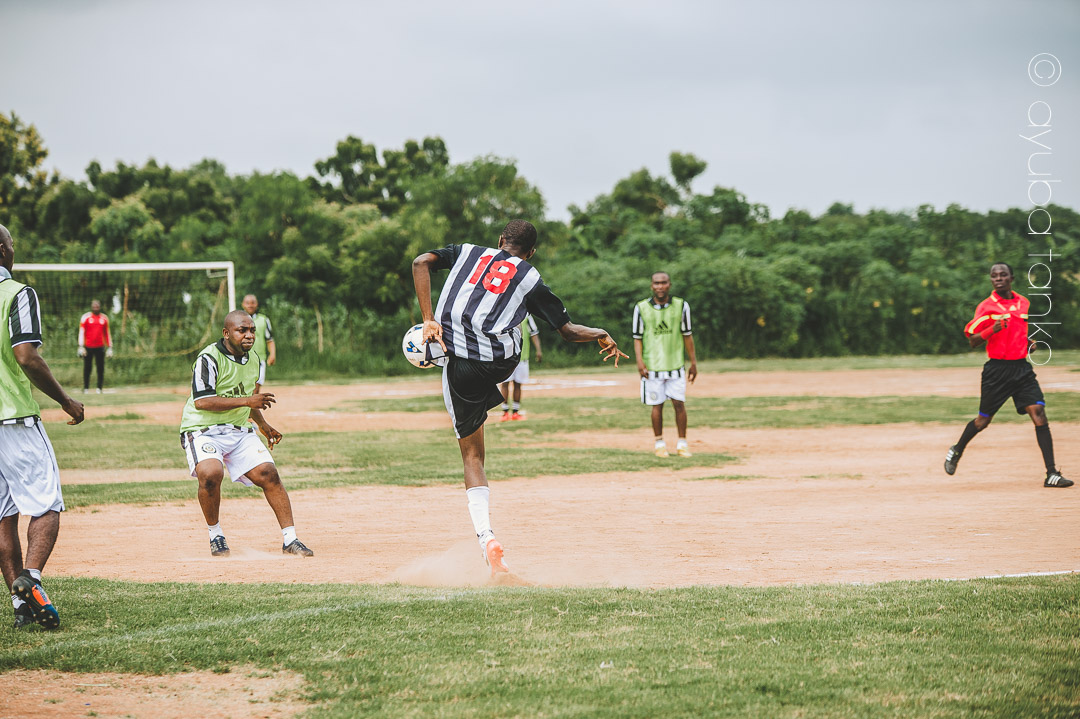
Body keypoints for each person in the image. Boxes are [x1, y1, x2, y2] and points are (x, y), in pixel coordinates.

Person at [412, 220, 627, 577]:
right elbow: (569, 332)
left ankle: (486, 539)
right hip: (501, 362)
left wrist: (428, 319)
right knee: (506, 336)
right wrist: (601, 333)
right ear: (531, 252)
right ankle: (481, 374)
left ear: (500, 241)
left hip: (460, 366)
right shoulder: (529, 277)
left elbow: (420, 262)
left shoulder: (468, 252)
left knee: (472, 455)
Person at [0, 224, 85, 630]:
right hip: (13, 418)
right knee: (46, 504)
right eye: (13, 245)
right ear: (2, 250)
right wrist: (65, 400)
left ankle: (20, 611)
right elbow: (26, 356)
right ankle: (30, 581)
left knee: (2, 516)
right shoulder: (18, 293)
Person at [180, 310, 314, 557]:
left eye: (252, 330)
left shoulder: (254, 360)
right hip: (202, 431)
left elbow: (249, 401)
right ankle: (216, 534)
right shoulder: (208, 358)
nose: (249, 335)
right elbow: (203, 401)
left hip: (239, 430)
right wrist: (247, 401)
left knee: (268, 473)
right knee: (211, 474)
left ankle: (290, 540)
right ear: (226, 333)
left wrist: (263, 425)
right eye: (242, 330)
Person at [944, 262, 1071, 488]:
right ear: (991, 280)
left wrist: (1028, 343)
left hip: (1021, 369)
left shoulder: (1023, 302)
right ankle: (957, 449)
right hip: (997, 371)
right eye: (994, 276)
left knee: (1039, 413)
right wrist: (992, 329)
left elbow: (1018, 333)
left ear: (1012, 277)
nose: (998, 278)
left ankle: (1051, 474)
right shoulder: (986, 307)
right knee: (983, 421)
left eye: (1003, 274)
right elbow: (973, 341)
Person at [633, 272, 698, 458]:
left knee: (679, 403)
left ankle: (682, 443)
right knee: (657, 405)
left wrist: (693, 362)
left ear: (669, 284)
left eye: (663, 283)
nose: (660, 286)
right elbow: (637, 338)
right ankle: (659, 443)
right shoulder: (641, 308)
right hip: (652, 366)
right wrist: (639, 361)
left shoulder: (681, 306)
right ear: (651, 286)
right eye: (656, 283)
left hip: (675, 364)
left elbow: (687, 335)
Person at [499, 314, 542, 421]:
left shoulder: (526, 315)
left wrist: (538, 350)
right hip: (506, 356)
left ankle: (515, 412)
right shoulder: (504, 312)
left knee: (518, 383)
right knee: (505, 383)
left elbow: (534, 333)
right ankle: (505, 412)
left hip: (522, 357)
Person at [78, 299, 112, 394]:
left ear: (99, 307)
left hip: (100, 347)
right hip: (88, 347)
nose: (95, 308)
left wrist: (109, 347)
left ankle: (99, 388)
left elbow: (107, 334)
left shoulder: (104, 318)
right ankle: (86, 388)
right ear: (91, 307)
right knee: (87, 368)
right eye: (94, 306)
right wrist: (81, 346)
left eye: (97, 306)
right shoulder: (86, 317)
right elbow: (81, 332)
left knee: (100, 368)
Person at [242, 294, 275, 385]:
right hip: (242, 358)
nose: (250, 305)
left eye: (253, 303)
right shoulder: (238, 319)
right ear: (243, 304)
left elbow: (270, 339)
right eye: (247, 303)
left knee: (256, 387)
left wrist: (272, 354)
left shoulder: (264, 320)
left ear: (257, 304)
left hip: (259, 358)